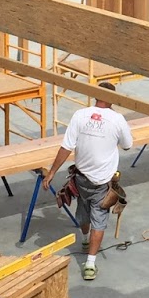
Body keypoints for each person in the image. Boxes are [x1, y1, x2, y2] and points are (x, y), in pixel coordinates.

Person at [40, 86, 133, 280]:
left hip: (81, 179)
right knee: (99, 217)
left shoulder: (80, 115)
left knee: (83, 212)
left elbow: (66, 147)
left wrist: (51, 172)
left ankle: (84, 239)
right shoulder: (117, 120)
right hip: (102, 182)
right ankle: (90, 264)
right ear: (112, 99)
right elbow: (127, 145)